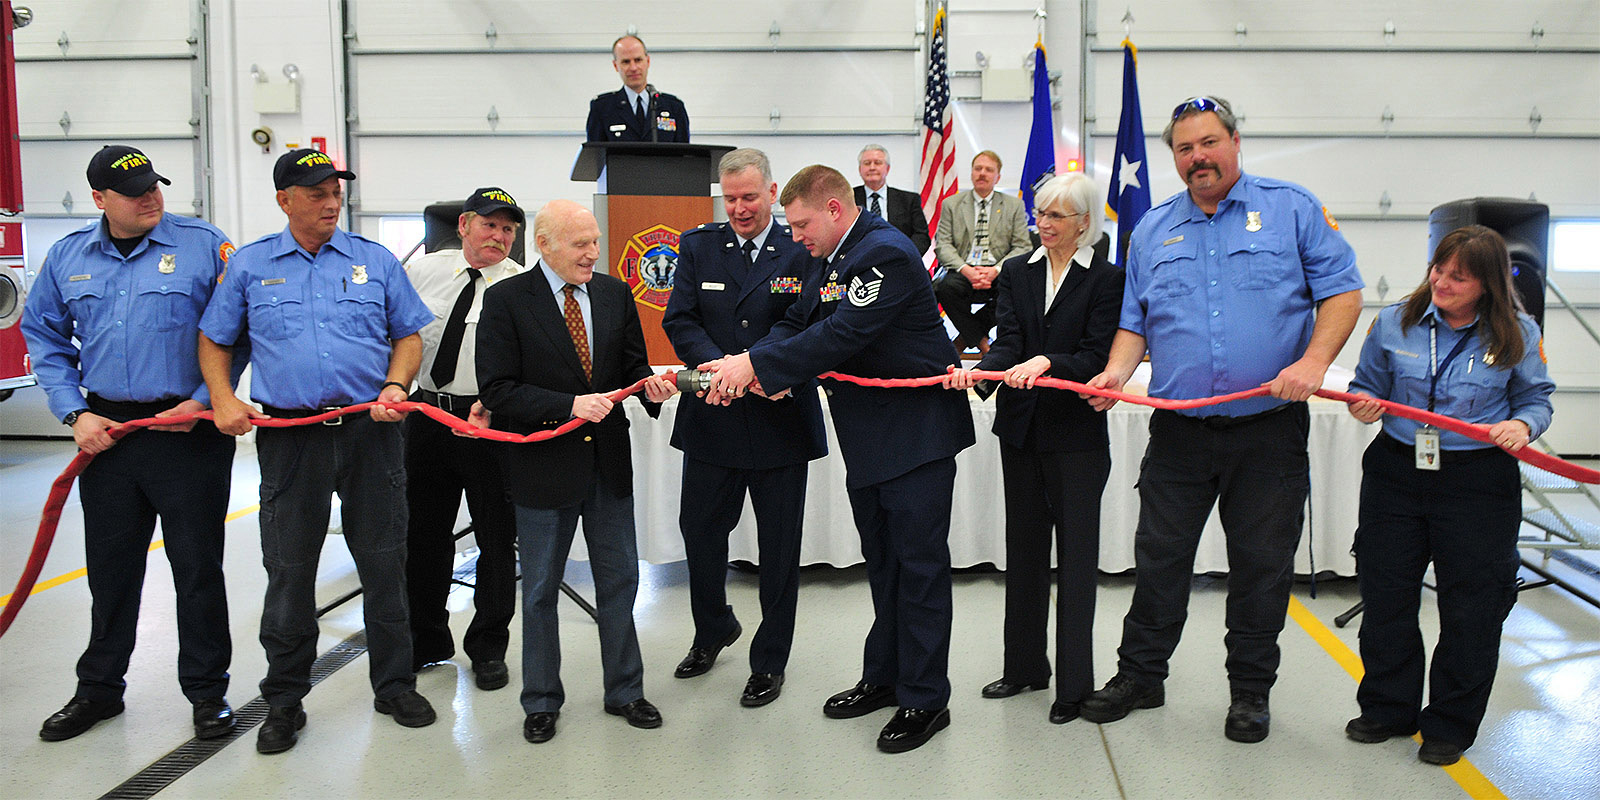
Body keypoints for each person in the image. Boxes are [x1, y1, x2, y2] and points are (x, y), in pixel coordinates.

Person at [1080, 95, 1365, 743]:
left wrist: (1317, 361)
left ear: (1235, 142)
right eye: (1184, 148)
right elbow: (1135, 322)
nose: (1198, 157)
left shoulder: (1291, 208)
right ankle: (1141, 676)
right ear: (1174, 157)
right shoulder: (1152, 229)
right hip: (1180, 434)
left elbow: (1342, 291)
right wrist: (1116, 374)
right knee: (1158, 558)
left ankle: (1250, 693)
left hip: (1268, 430)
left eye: (1208, 142)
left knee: (1261, 565)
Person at [704, 165, 974, 754]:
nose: (793, 234)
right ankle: (885, 676)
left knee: (920, 572)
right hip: (870, 439)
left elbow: (842, 335)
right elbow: (800, 323)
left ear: (833, 209)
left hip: (917, 438)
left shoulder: (884, 254)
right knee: (884, 566)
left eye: (800, 223)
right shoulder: (827, 258)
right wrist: (749, 361)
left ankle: (927, 699)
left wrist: (755, 369)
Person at [198, 148, 439, 754]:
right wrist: (224, 398)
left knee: (386, 562)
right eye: (315, 192)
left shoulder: (374, 260)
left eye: (335, 191)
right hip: (290, 437)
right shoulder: (251, 267)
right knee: (289, 570)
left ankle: (394, 684)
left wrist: (395, 384)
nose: (331, 202)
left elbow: (407, 335)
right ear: (284, 200)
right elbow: (213, 337)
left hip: (371, 432)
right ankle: (284, 700)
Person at [22, 146, 240, 743]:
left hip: (187, 434)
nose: (150, 198)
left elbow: (235, 329)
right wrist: (74, 412)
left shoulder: (202, 245)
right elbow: (42, 333)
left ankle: (206, 692)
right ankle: (99, 690)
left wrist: (203, 399)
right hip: (108, 436)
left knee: (197, 567)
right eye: (133, 191)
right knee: (110, 570)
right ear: (99, 200)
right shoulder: (68, 257)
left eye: (154, 186)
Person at [1342, 225, 1553, 766]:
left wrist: (1523, 426)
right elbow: (1366, 384)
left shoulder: (1518, 334)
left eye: (1459, 276)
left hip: (1477, 481)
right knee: (1387, 596)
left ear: (1486, 284)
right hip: (1396, 472)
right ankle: (1388, 708)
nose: (1442, 281)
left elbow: (1537, 400)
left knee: (1473, 608)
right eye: (1439, 269)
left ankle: (1450, 724)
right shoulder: (1394, 321)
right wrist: (1364, 402)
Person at [474, 199, 679, 745]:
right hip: (543, 467)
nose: (594, 253)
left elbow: (633, 366)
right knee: (540, 589)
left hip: (606, 465)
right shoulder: (506, 301)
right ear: (544, 245)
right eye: (581, 243)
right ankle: (541, 701)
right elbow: (497, 390)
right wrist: (568, 404)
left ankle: (626, 691)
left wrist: (652, 387)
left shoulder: (615, 293)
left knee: (621, 581)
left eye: (595, 241)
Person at [944, 173, 1124, 725]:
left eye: (1056, 217)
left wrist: (1049, 363)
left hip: (1075, 439)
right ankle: (1024, 667)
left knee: (1075, 562)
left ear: (1085, 224)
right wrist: (977, 376)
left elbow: (1097, 354)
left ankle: (1073, 686)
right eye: (1040, 215)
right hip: (1020, 434)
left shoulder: (1108, 280)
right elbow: (1010, 342)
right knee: (1022, 556)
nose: (1043, 225)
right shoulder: (1017, 272)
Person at [661, 149, 827, 707]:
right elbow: (679, 319)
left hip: (778, 414)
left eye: (749, 198)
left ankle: (769, 660)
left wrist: (753, 365)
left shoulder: (799, 249)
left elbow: (805, 321)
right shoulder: (698, 245)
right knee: (699, 532)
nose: (738, 209)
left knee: (779, 551)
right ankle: (713, 628)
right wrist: (715, 367)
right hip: (714, 414)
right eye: (729, 199)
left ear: (773, 192)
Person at [402, 187, 527, 690]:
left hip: (491, 425)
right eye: (489, 225)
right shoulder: (423, 272)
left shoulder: (524, 287)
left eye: (508, 229)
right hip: (429, 416)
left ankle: (488, 647)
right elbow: (398, 335)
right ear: (464, 226)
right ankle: (426, 639)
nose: (498, 237)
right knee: (423, 536)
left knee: (497, 540)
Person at [933, 150, 1032, 353]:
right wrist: (966, 269)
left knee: (1017, 293)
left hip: (999, 270)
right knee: (945, 289)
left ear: (998, 177)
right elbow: (943, 245)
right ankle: (983, 344)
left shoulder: (1014, 205)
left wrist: (995, 270)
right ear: (971, 173)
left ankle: (963, 341)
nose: (982, 173)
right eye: (978, 168)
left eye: (989, 170)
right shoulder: (952, 204)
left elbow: (1023, 246)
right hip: (963, 270)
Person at [585, 34, 689, 143]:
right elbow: (595, 156)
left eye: (638, 60)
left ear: (648, 61)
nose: (633, 68)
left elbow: (684, 156)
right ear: (615, 66)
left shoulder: (673, 107)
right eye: (626, 62)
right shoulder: (602, 108)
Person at [853, 144, 930, 253]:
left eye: (877, 163)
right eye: (867, 163)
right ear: (860, 169)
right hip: (857, 262)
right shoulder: (848, 198)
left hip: (899, 261)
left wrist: (905, 255)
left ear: (887, 168)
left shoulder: (909, 200)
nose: (872, 167)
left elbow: (921, 236)